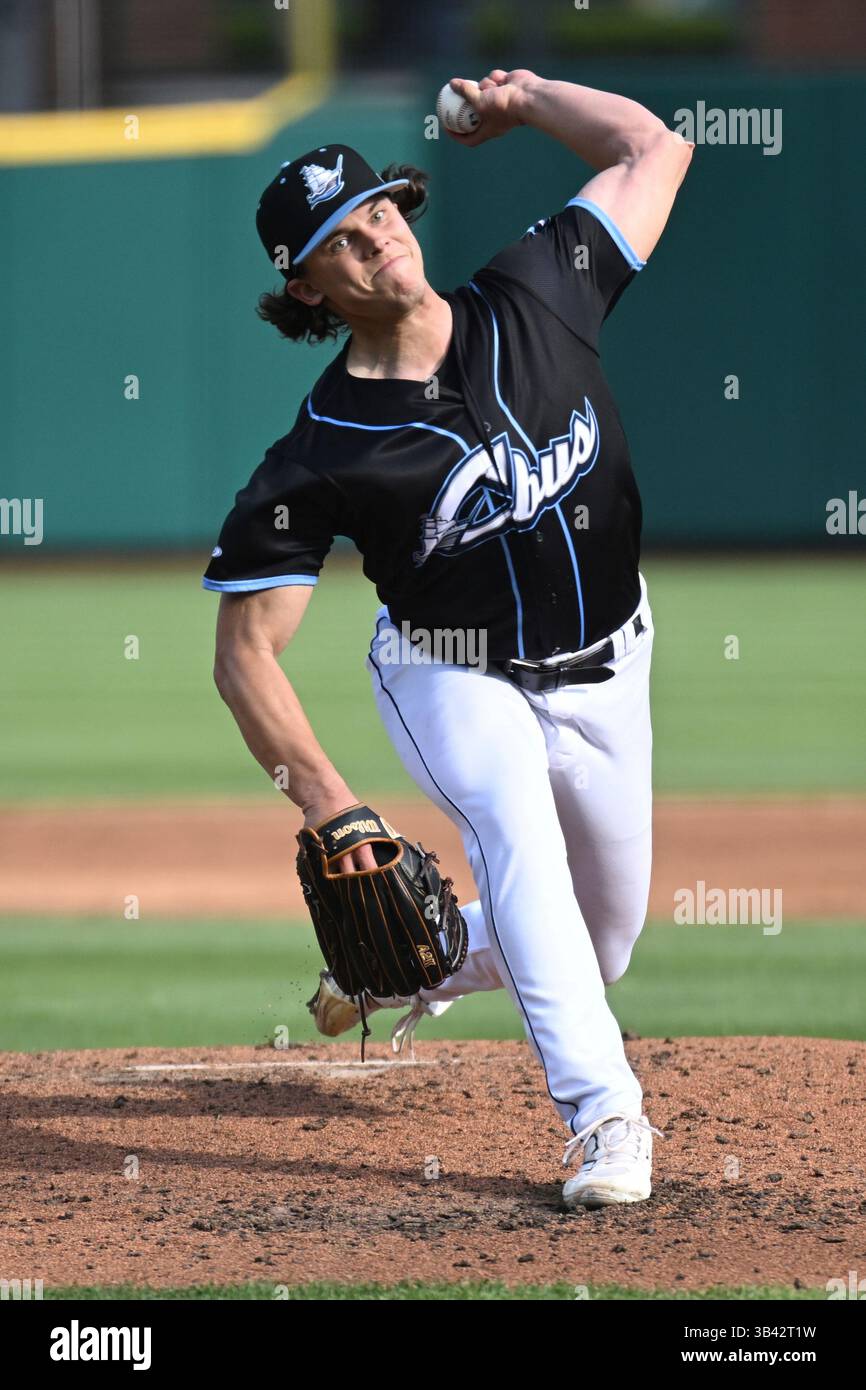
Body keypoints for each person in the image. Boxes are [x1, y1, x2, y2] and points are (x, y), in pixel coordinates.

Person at [204, 69, 694, 1209]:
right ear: (308, 285)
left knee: (604, 938)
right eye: (342, 238)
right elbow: (243, 655)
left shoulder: (537, 288)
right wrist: (331, 803)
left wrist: (525, 101)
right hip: (449, 669)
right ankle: (605, 1118)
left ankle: (416, 955)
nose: (376, 238)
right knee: (515, 831)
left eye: (379, 211)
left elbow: (649, 150)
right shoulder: (319, 453)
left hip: (610, 659)